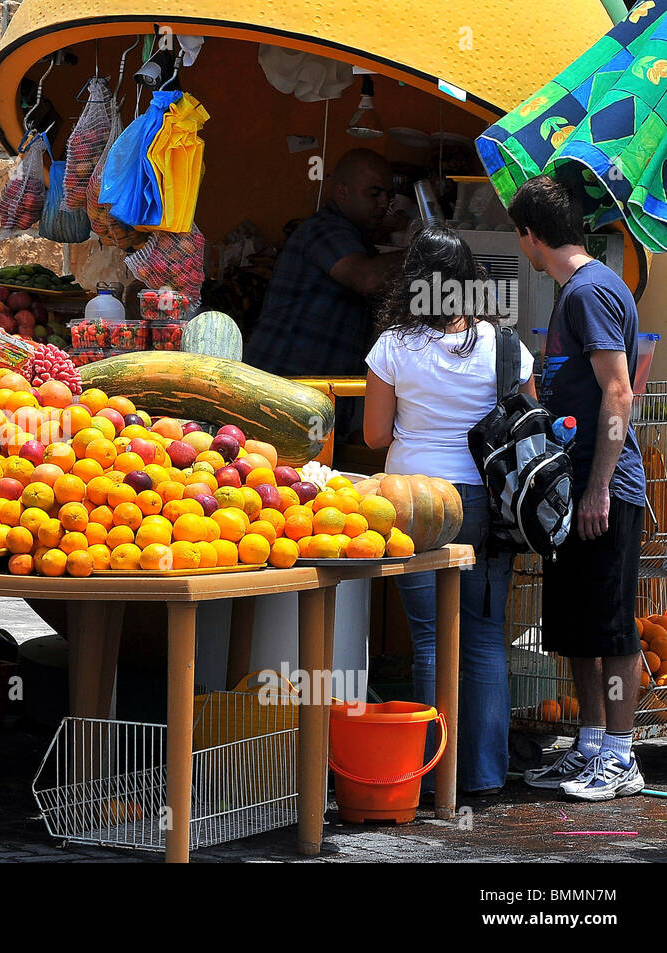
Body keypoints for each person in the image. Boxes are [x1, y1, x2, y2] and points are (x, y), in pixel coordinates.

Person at [363, 223, 534, 795]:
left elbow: (373, 434)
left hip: (414, 504)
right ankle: (484, 775)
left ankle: (432, 777)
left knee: (432, 640)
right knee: (485, 636)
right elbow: (526, 431)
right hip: (486, 501)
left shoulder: (393, 347)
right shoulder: (506, 347)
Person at [509, 176, 647, 801]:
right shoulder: (580, 291)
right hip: (575, 488)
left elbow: (619, 393)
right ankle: (590, 745)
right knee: (577, 629)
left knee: (612, 631)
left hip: (605, 488)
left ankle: (621, 755)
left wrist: (598, 490)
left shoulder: (589, 292)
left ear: (531, 237)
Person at [246, 149, 406, 435]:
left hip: (314, 395)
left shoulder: (357, 240)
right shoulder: (323, 230)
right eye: (374, 193)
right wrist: (424, 251)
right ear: (342, 193)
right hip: (283, 388)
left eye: (388, 196)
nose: (384, 204)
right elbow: (365, 278)